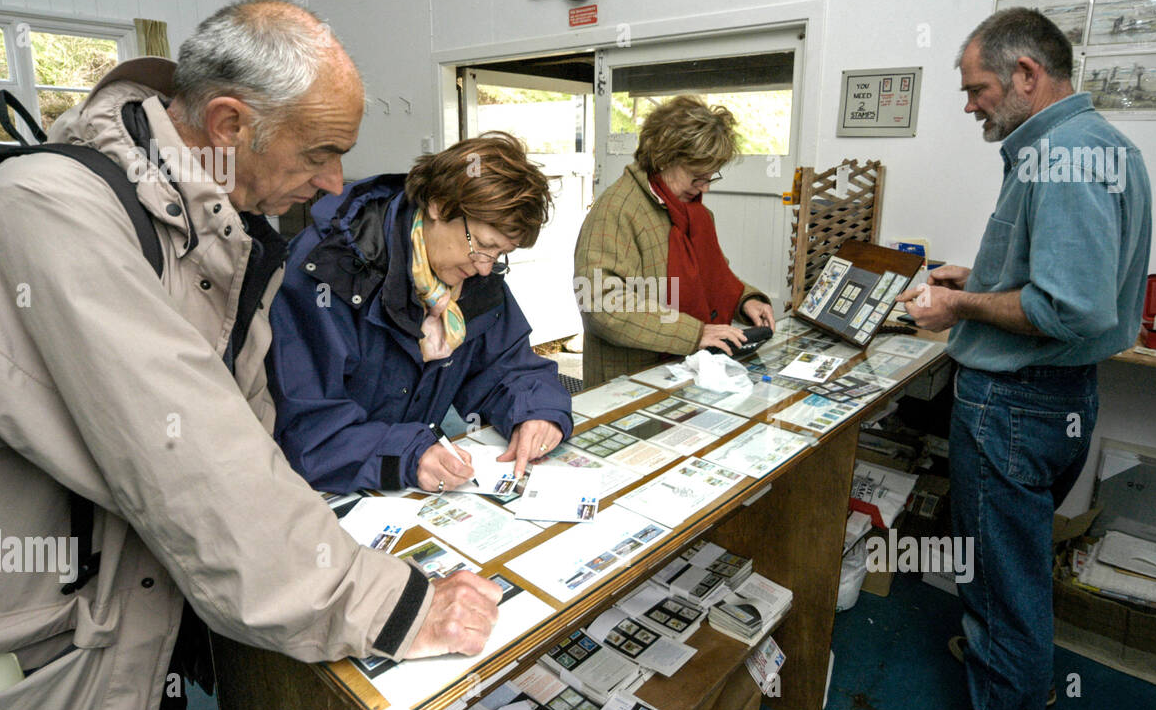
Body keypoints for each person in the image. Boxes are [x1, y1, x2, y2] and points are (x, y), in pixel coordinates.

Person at [0, 0, 500, 710]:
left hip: (146, 624)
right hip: (46, 662)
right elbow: (190, 458)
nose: (335, 183)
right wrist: (391, 602)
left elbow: (253, 441)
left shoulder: (228, 236)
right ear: (229, 126)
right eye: (319, 153)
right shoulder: (49, 208)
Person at [898, 8, 1152, 710]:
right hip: (1061, 398)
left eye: (977, 87)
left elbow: (1069, 308)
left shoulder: (1063, 154)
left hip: (1014, 405)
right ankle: (1007, 669)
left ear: (1027, 75)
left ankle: (1004, 697)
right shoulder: (1104, 145)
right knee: (1013, 570)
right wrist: (980, 274)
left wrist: (959, 308)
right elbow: (1069, 278)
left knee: (1005, 587)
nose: (969, 103)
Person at [266, 131, 572, 494]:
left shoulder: (471, 274)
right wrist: (409, 455)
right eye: (484, 246)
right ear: (440, 205)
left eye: (500, 254)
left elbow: (506, 368)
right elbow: (307, 433)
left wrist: (536, 412)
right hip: (315, 493)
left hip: (397, 487)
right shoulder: (327, 270)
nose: (487, 268)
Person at [573, 95, 775, 386]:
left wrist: (746, 299)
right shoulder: (617, 211)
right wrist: (694, 333)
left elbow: (712, 277)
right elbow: (601, 304)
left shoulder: (693, 213)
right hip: (630, 382)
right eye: (696, 176)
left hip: (688, 372)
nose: (705, 187)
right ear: (664, 158)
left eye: (710, 176)